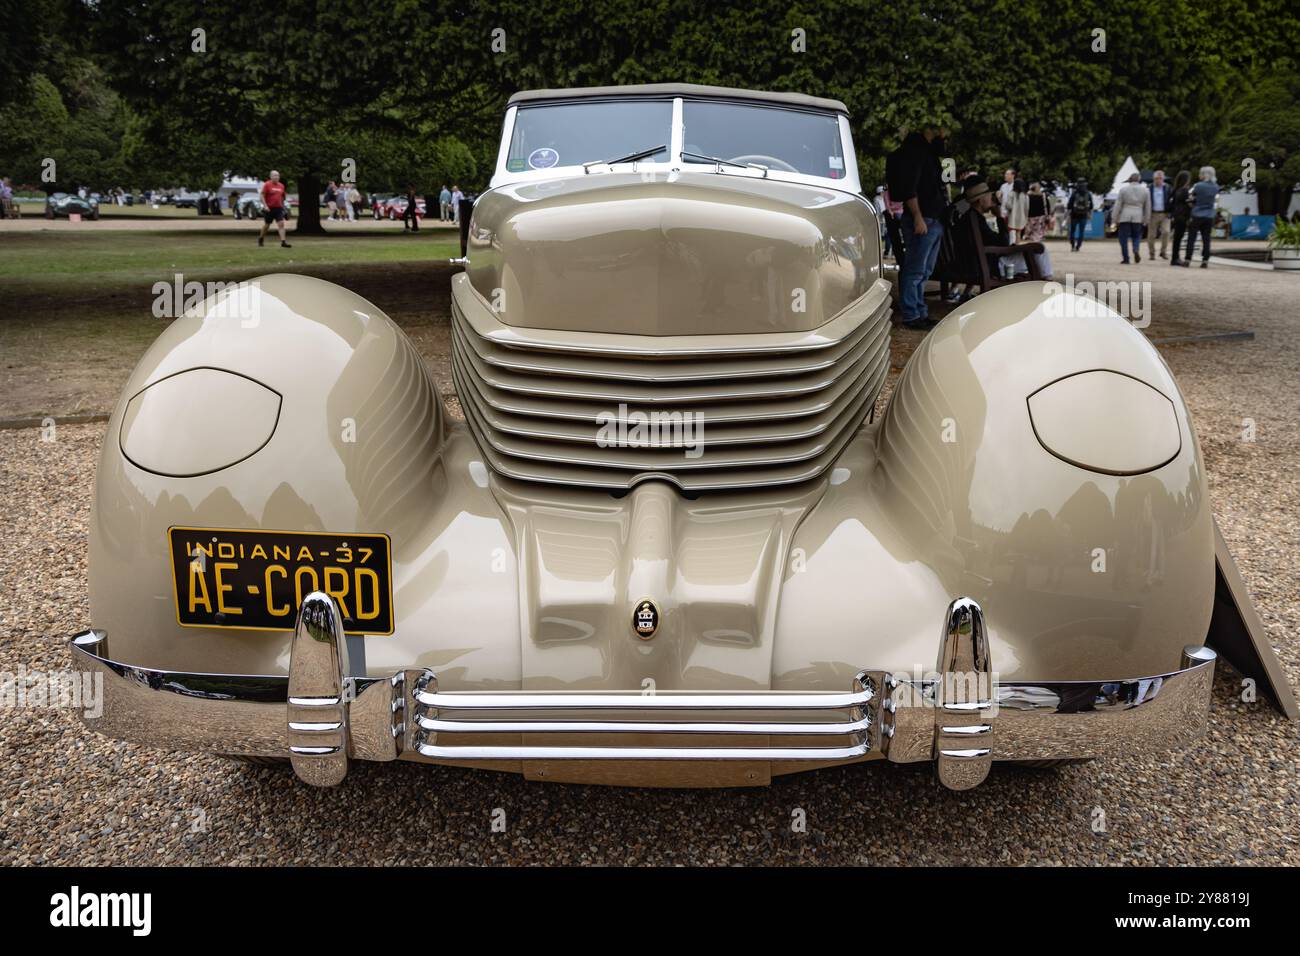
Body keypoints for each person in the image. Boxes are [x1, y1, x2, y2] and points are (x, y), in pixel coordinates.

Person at [887, 124, 949, 330]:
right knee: (915, 270)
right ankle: (912, 314)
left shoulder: (924, 154)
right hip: (924, 219)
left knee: (923, 270)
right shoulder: (916, 153)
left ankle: (918, 311)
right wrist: (917, 217)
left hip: (931, 219)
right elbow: (909, 188)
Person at [1184, 166, 1218, 267]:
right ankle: (1205, 260)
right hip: (1209, 215)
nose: (1199, 175)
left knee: (1192, 238)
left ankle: (1188, 259)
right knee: (1206, 239)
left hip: (1197, 214)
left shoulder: (1197, 186)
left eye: (1201, 173)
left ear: (1204, 175)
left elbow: (1190, 198)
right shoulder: (1216, 187)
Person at [1113, 172, 1150, 264]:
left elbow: (1117, 205)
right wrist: (1146, 219)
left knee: (1123, 238)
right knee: (1136, 236)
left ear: (1129, 179)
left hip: (1125, 215)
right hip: (1138, 215)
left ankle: (1126, 258)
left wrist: (1114, 217)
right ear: (1139, 180)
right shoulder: (1145, 190)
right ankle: (1135, 249)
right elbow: (1148, 206)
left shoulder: (1123, 190)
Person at [257, 170, 292, 248]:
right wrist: (265, 206)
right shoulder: (267, 184)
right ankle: (261, 238)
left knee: (281, 224)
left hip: (278, 208)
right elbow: (262, 196)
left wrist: (283, 205)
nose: (277, 177)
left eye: (278, 175)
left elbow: (283, 196)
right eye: (275, 175)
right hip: (269, 208)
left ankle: (283, 242)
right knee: (267, 225)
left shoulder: (281, 186)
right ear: (271, 176)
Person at [1168, 170, 1192, 267]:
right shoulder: (1184, 191)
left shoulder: (1175, 190)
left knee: (1176, 238)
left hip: (1176, 216)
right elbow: (1188, 204)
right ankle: (1175, 258)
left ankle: (1175, 257)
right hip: (1182, 216)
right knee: (1178, 238)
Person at [1147, 170, 1172, 259]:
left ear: (1163, 179)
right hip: (1153, 214)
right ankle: (1152, 253)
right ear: (1153, 179)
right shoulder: (1149, 187)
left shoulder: (1168, 187)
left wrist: (1170, 212)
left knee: (1166, 232)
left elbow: (1171, 200)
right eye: (1156, 178)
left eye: (1160, 178)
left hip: (1165, 214)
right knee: (1151, 235)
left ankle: (1163, 252)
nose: (1158, 180)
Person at [1067, 179, 1092, 251]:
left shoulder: (1074, 193)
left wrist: (1068, 215)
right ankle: (1078, 246)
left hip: (1074, 214)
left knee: (1072, 231)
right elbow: (1091, 206)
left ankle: (1072, 246)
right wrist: (1089, 214)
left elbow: (1069, 205)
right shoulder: (1088, 193)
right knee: (1081, 231)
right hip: (1083, 215)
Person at [1002, 177, 1029, 243]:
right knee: (1018, 233)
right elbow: (1027, 208)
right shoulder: (1025, 196)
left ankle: (1011, 246)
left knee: (1011, 233)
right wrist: (1026, 217)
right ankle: (1017, 247)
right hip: (1021, 217)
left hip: (1012, 217)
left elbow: (1009, 206)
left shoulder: (1011, 194)